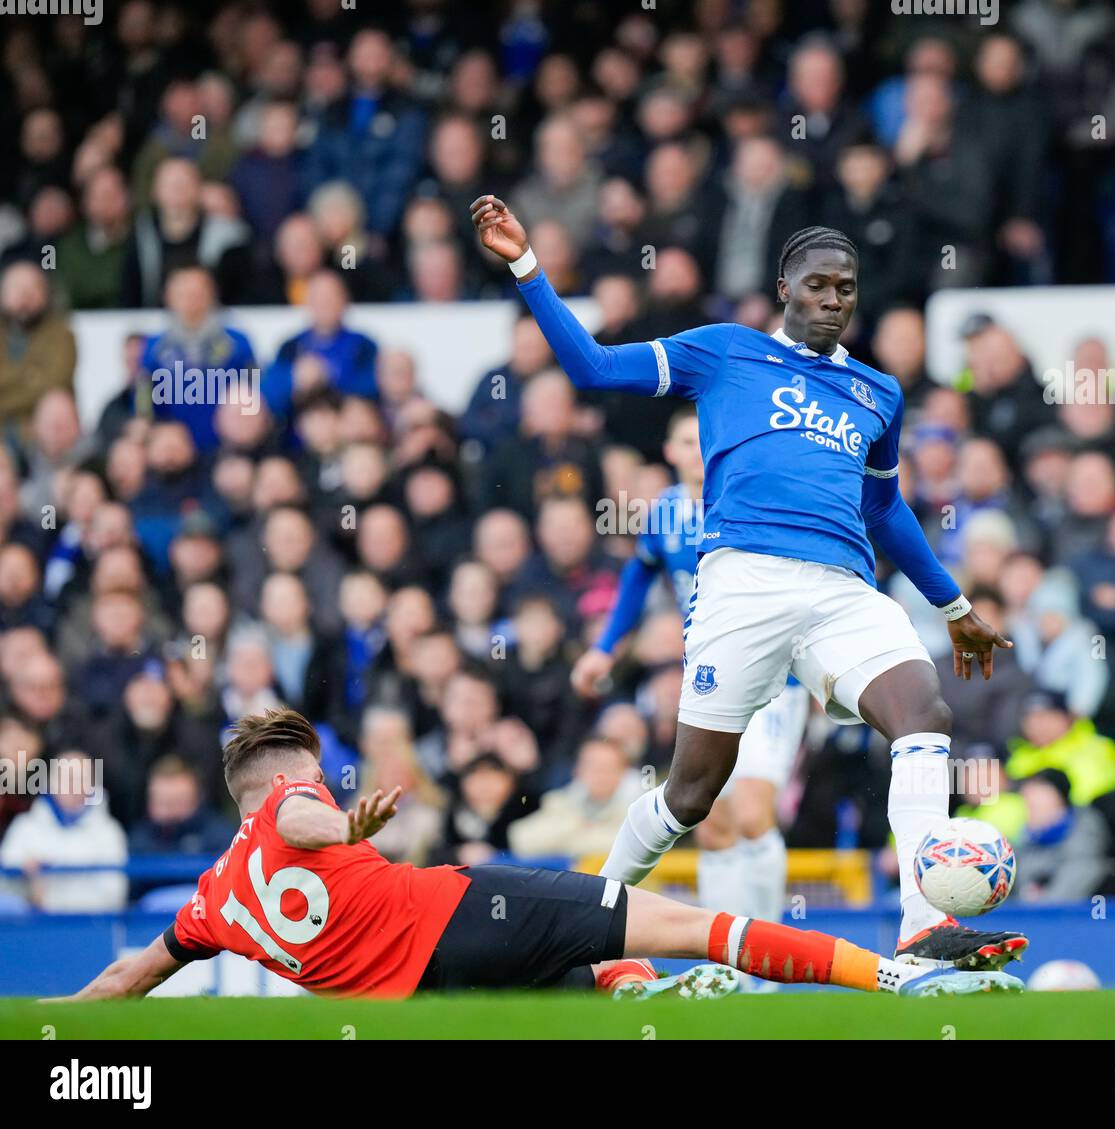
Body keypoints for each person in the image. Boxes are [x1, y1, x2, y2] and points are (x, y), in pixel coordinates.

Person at [472, 195, 1028, 970]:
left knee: (923, 713)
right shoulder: (725, 352)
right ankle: (585, 940)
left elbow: (883, 506)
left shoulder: (877, 393)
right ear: (784, 287)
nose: (833, 300)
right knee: (691, 795)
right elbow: (592, 366)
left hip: (842, 589)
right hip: (743, 584)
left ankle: (920, 920)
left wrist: (954, 603)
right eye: (819, 285)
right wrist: (527, 267)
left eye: (846, 289)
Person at [56, 709, 1021, 1000]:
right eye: (314, 772)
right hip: (461, 909)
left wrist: (50, 1024)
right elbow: (306, 823)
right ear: (280, 783)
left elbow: (132, 972)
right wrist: (345, 826)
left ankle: (637, 990)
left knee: (583, 977)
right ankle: (897, 978)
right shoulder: (293, 805)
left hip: (426, 995)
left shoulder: (209, 901)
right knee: (692, 922)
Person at [572, 405, 809, 931]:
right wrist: (604, 649)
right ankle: (729, 957)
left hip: (776, 679)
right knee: (713, 821)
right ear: (670, 451)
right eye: (686, 441)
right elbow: (637, 578)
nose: (698, 451)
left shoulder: (753, 500)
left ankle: (770, 954)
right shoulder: (665, 513)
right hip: (708, 680)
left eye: (707, 439)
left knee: (751, 812)